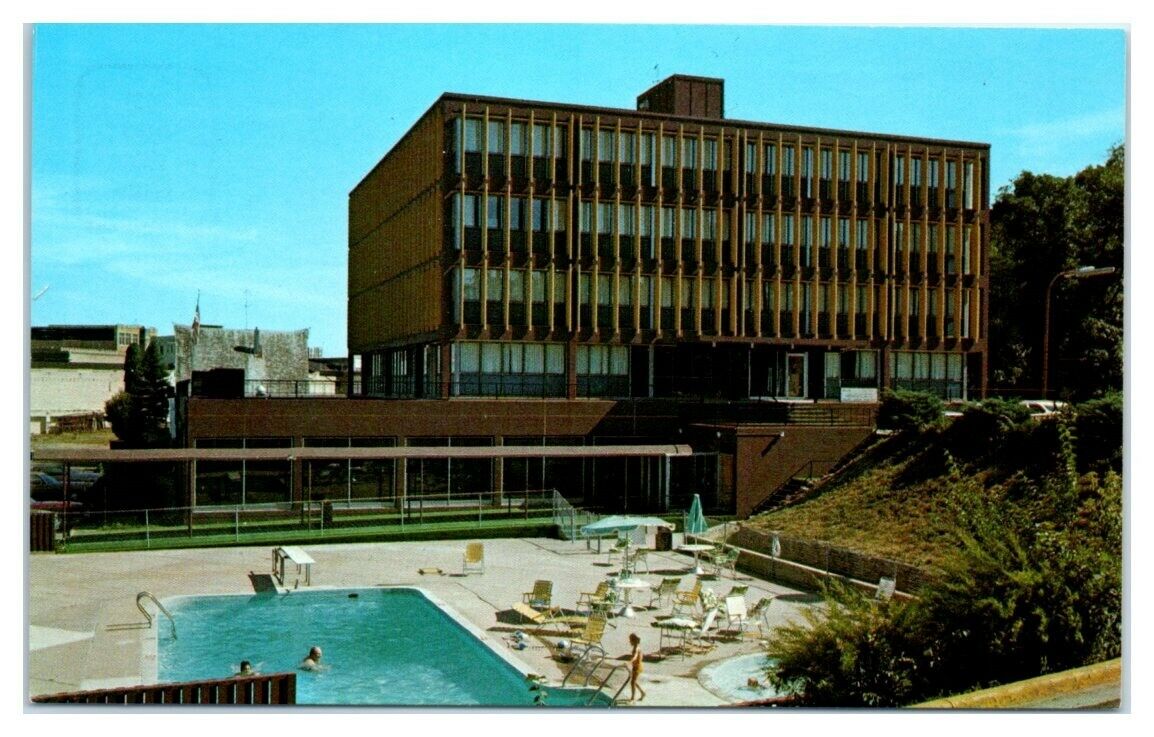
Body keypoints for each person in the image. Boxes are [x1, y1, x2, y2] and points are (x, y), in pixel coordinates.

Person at [628, 633, 646, 702]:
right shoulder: (636, 647)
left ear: (633, 641)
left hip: (637, 667)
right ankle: (642, 693)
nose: (629, 642)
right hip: (636, 666)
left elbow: (635, 656)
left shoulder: (636, 648)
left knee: (633, 682)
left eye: (630, 640)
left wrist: (630, 661)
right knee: (634, 681)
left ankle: (633, 698)